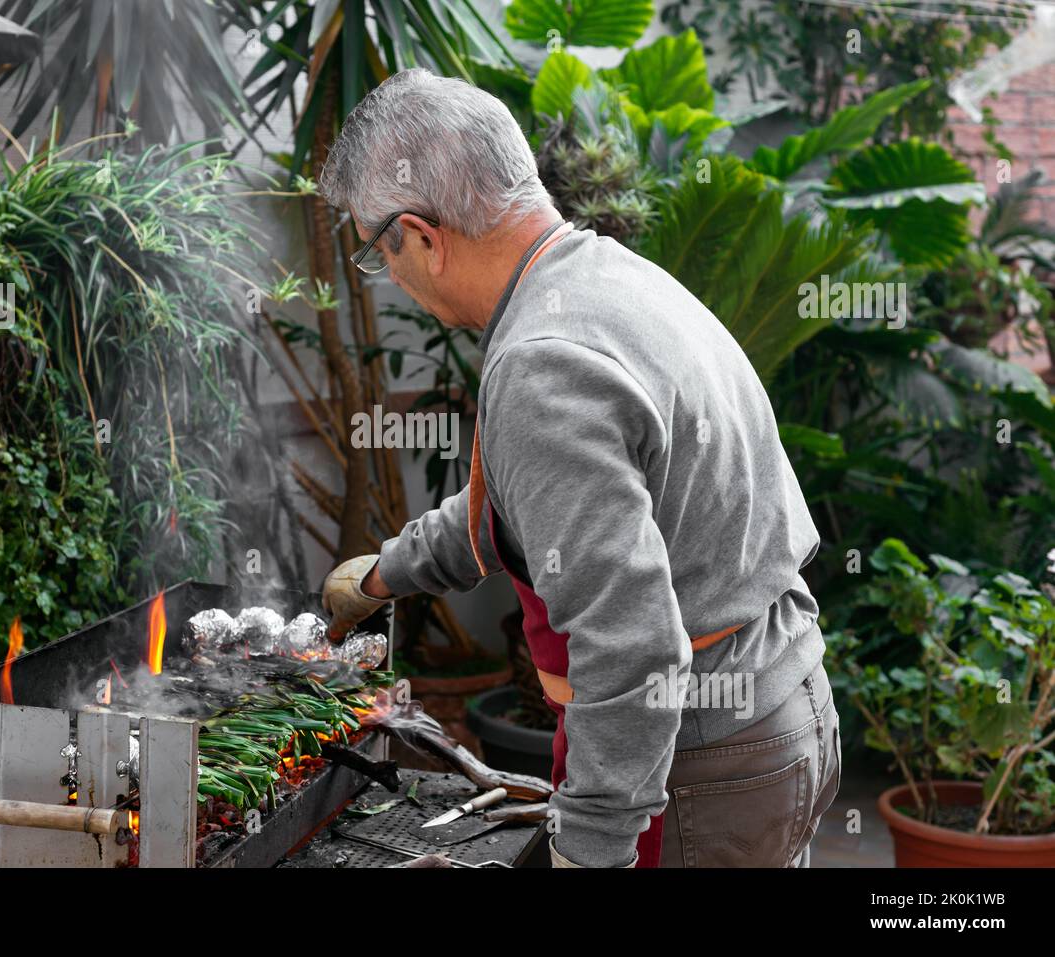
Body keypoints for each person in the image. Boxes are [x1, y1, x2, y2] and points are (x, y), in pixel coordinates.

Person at [319, 68, 840, 868]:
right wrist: (386, 573)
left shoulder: (540, 366)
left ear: (422, 237)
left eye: (376, 251)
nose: (388, 276)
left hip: (702, 759)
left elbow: (631, 649)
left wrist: (590, 852)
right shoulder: (605, 280)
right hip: (782, 704)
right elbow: (519, 513)